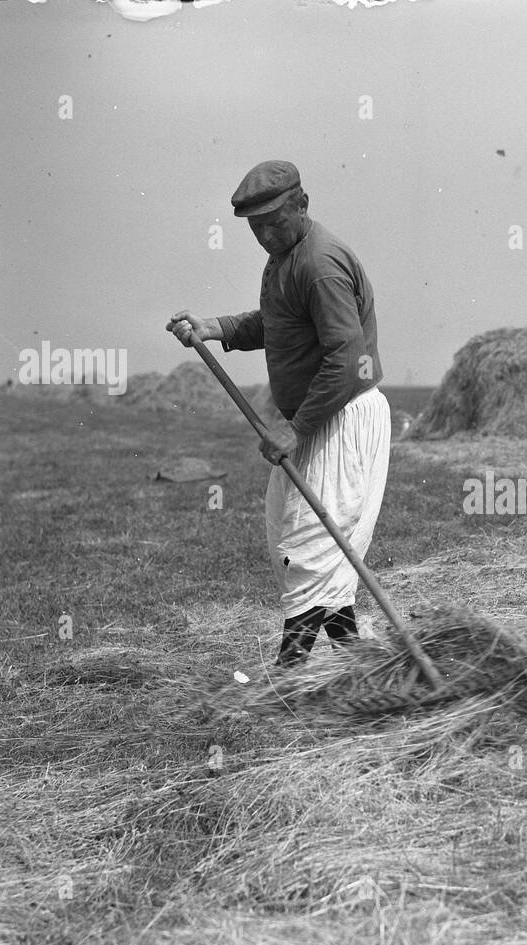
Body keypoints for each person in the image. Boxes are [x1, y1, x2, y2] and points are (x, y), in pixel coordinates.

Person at [167, 160, 391, 668]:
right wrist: (214, 327)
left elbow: (348, 361)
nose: (266, 235)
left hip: (343, 416)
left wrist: (294, 427)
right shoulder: (286, 257)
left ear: (303, 205)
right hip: (319, 418)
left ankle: (287, 679)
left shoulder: (320, 264)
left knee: (309, 547)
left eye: (275, 222)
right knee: (303, 543)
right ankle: (359, 663)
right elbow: (277, 324)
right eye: (256, 228)